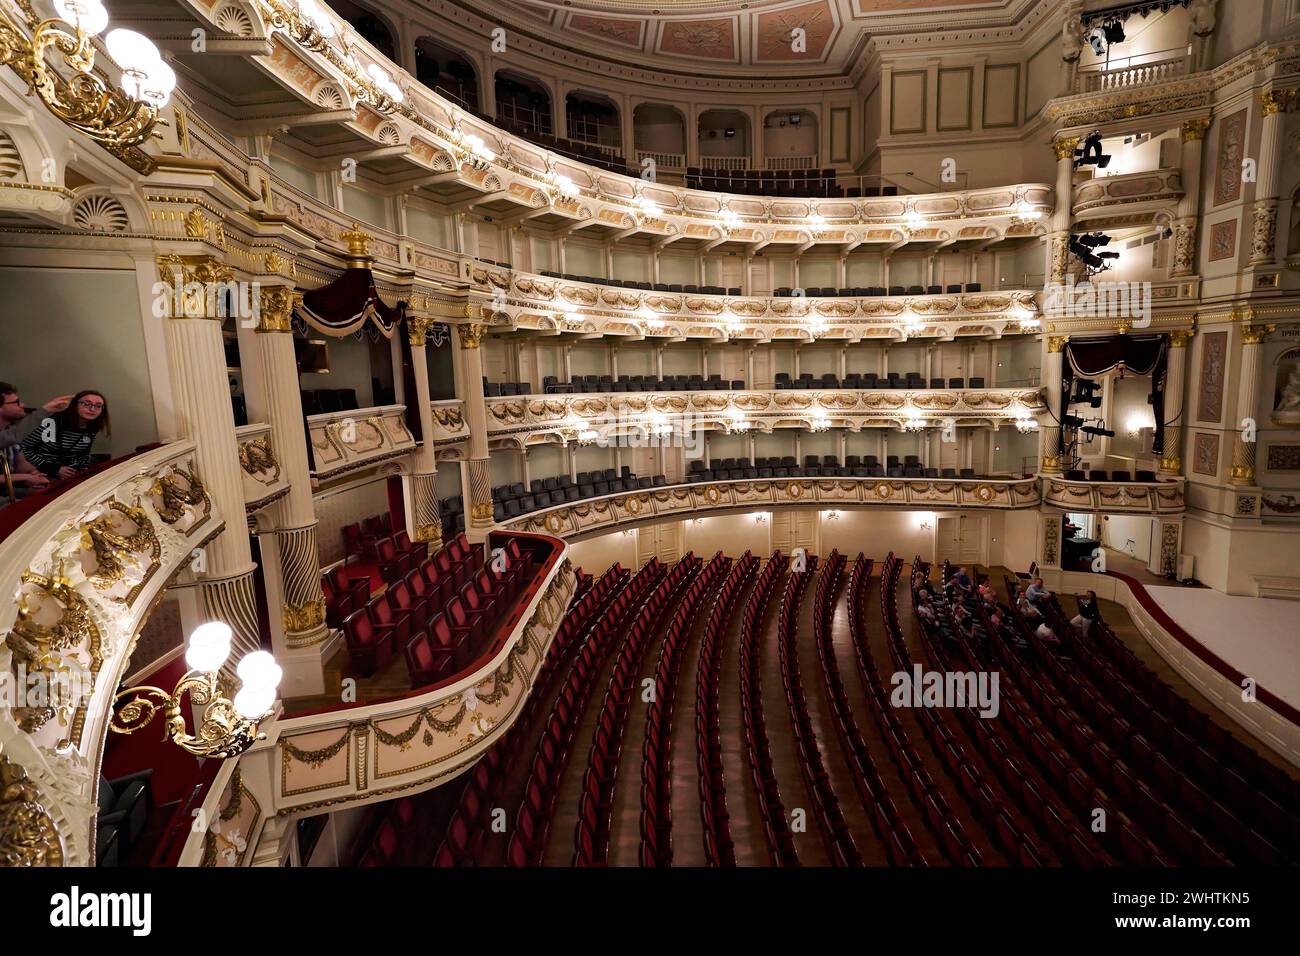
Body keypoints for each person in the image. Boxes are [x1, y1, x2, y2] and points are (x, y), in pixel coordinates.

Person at [1, 383, 72, 500]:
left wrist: (34, 474)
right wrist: (25, 477)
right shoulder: (12, 434)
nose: (22, 405)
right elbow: (14, 435)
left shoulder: (10, 429)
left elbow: (20, 462)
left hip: (11, 487)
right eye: (16, 402)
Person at [21, 389, 109, 480]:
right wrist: (54, 469)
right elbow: (24, 449)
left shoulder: (92, 426)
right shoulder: (51, 422)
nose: (92, 409)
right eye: (86, 404)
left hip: (70, 469)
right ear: (75, 405)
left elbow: (82, 454)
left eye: (98, 406)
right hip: (42, 469)